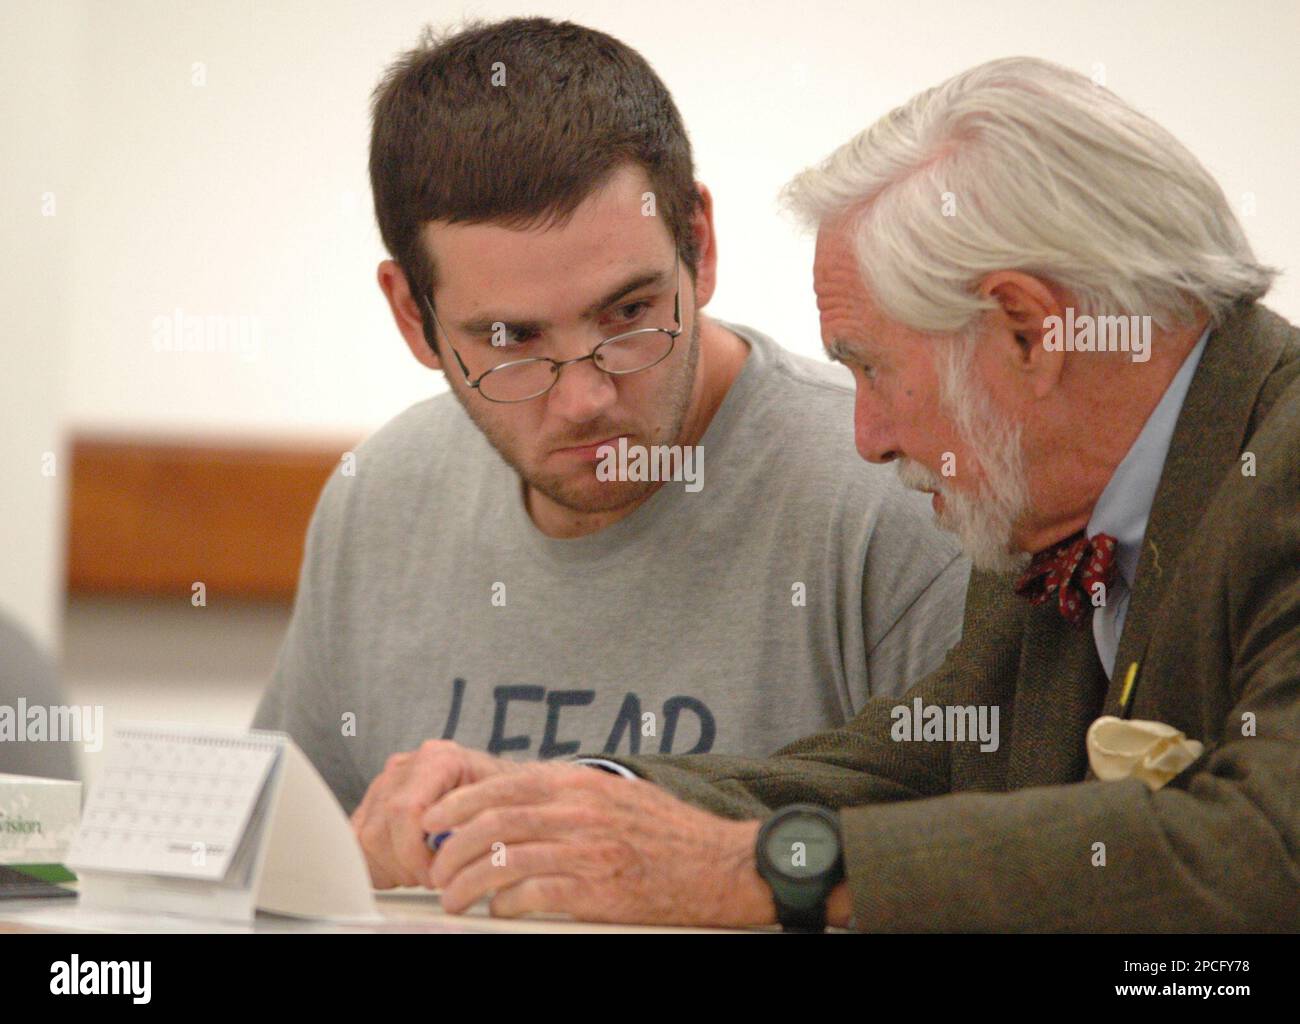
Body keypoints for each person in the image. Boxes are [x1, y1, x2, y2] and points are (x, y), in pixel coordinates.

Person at [357, 56, 1299, 932]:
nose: (869, 438)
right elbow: (909, 774)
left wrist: (754, 872)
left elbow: (1266, 847)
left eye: (875, 372)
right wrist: (570, 804)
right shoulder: (1043, 509)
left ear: (1027, 330)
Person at [253, 18, 967, 821]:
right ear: (412, 318)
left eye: (628, 313)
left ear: (697, 244)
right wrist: (363, 865)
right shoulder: (377, 500)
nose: (585, 398)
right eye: (510, 340)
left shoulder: (893, 497)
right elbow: (271, 868)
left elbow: (972, 876)